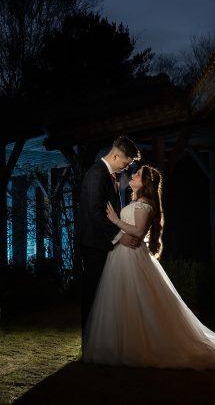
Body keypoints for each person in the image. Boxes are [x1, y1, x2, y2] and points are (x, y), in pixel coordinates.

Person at [81, 163, 215, 371]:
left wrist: (116, 221)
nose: (133, 175)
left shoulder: (145, 204)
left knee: (137, 302)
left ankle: (136, 347)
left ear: (145, 183)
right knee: (123, 300)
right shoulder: (137, 200)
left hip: (131, 258)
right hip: (121, 257)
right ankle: (120, 347)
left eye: (137, 174)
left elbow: (138, 231)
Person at [76, 135, 143, 348]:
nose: (126, 167)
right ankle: (90, 346)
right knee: (93, 295)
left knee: (103, 297)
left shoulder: (108, 175)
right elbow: (95, 213)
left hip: (103, 245)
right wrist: (119, 236)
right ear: (115, 155)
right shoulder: (97, 174)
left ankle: (101, 342)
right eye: (126, 163)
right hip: (95, 245)